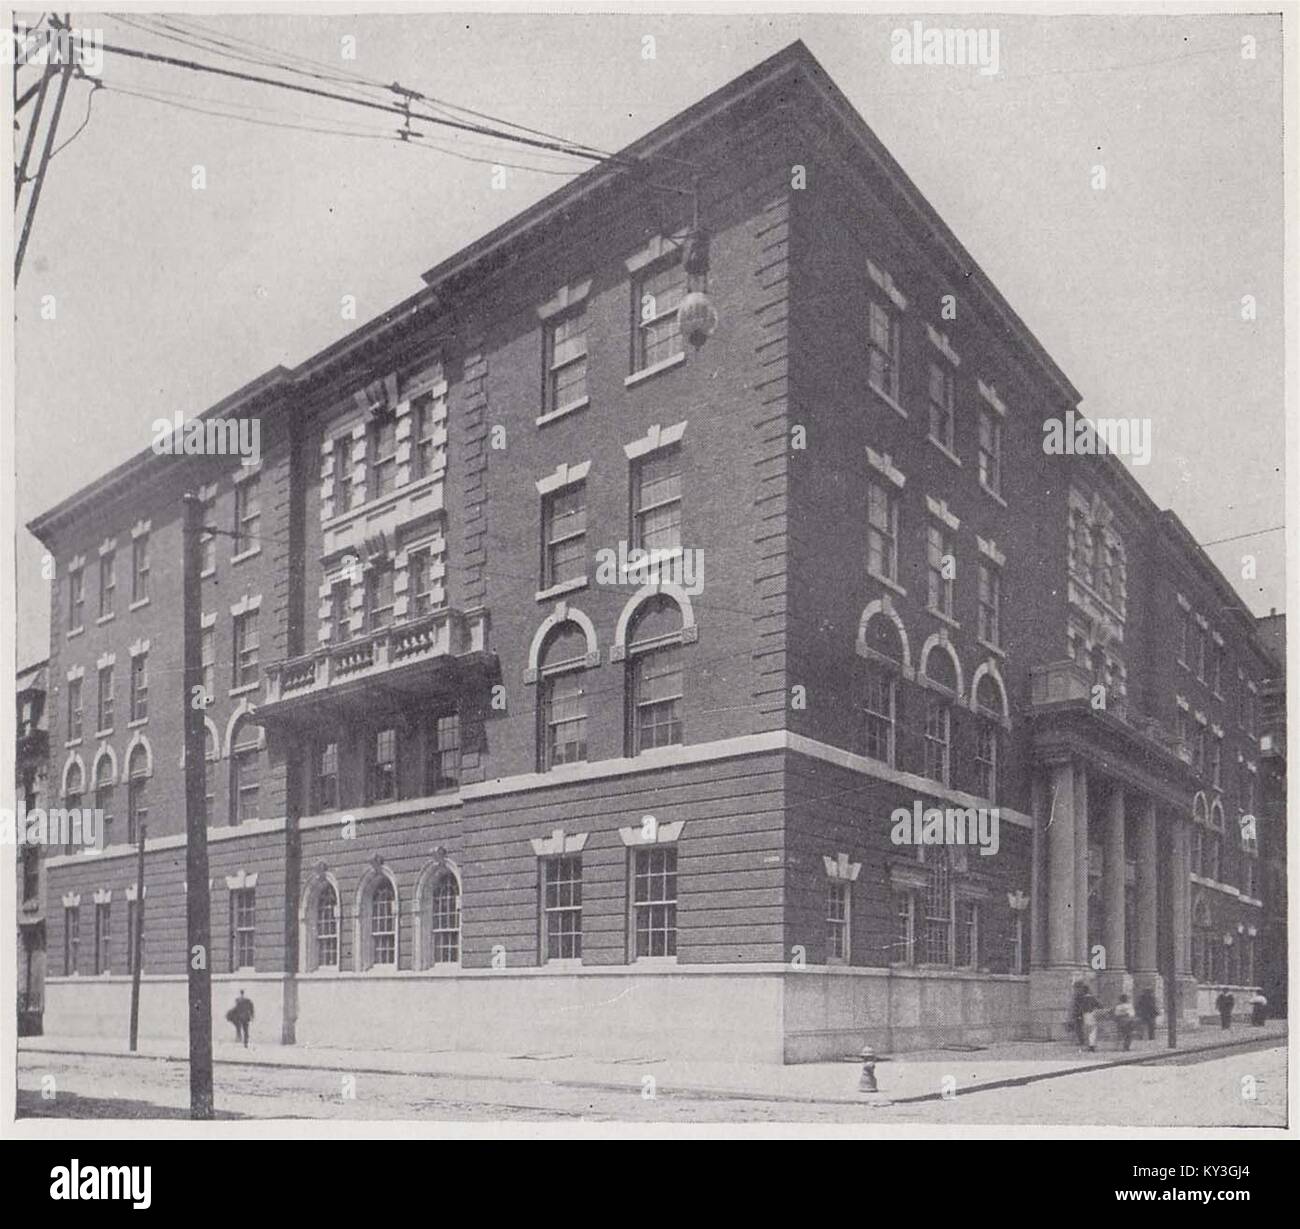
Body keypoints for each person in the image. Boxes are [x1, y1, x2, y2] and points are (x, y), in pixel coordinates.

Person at [1079, 984, 1101, 1052]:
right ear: (1088, 990)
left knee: (1086, 1031)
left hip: (1085, 1015)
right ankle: (1092, 1045)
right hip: (1092, 1014)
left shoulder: (1082, 999)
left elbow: (1080, 1009)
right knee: (1093, 1030)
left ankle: (1088, 1045)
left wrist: (1079, 1016)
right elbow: (1099, 1005)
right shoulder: (1092, 998)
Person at [1069, 978, 1089, 1047]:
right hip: (1080, 1013)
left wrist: (1076, 1012)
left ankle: (1081, 1041)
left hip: (1079, 1013)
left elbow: (1077, 1004)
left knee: (1079, 1028)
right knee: (1080, 1027)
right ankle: (1082, 1040)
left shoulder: (1078, 994)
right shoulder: (1082, 993)